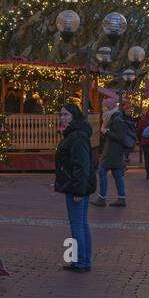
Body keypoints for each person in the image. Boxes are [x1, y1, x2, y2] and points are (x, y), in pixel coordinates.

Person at [54, 103, 95, 272]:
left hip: (75, 185)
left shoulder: (77, 136)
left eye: (66, 115)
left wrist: (79, 189)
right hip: (76, 184)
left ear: (74, 116)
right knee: (81, 223)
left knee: (77, 224)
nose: (63, 118)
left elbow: (81, 165)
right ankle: (81, 260)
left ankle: (80, 261)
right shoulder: (75, 134)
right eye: (61, 115)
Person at [92, 106, 128, 207]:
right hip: (114, 152)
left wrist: (106, 131)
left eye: (104, 107)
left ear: (108, 108)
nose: (102, 109)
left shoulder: (117, 120)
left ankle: (102, 198)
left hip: (112, 152)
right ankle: (121, 198)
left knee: (102, 171)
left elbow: (120, 137)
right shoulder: (112, 118)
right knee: (117, 174)